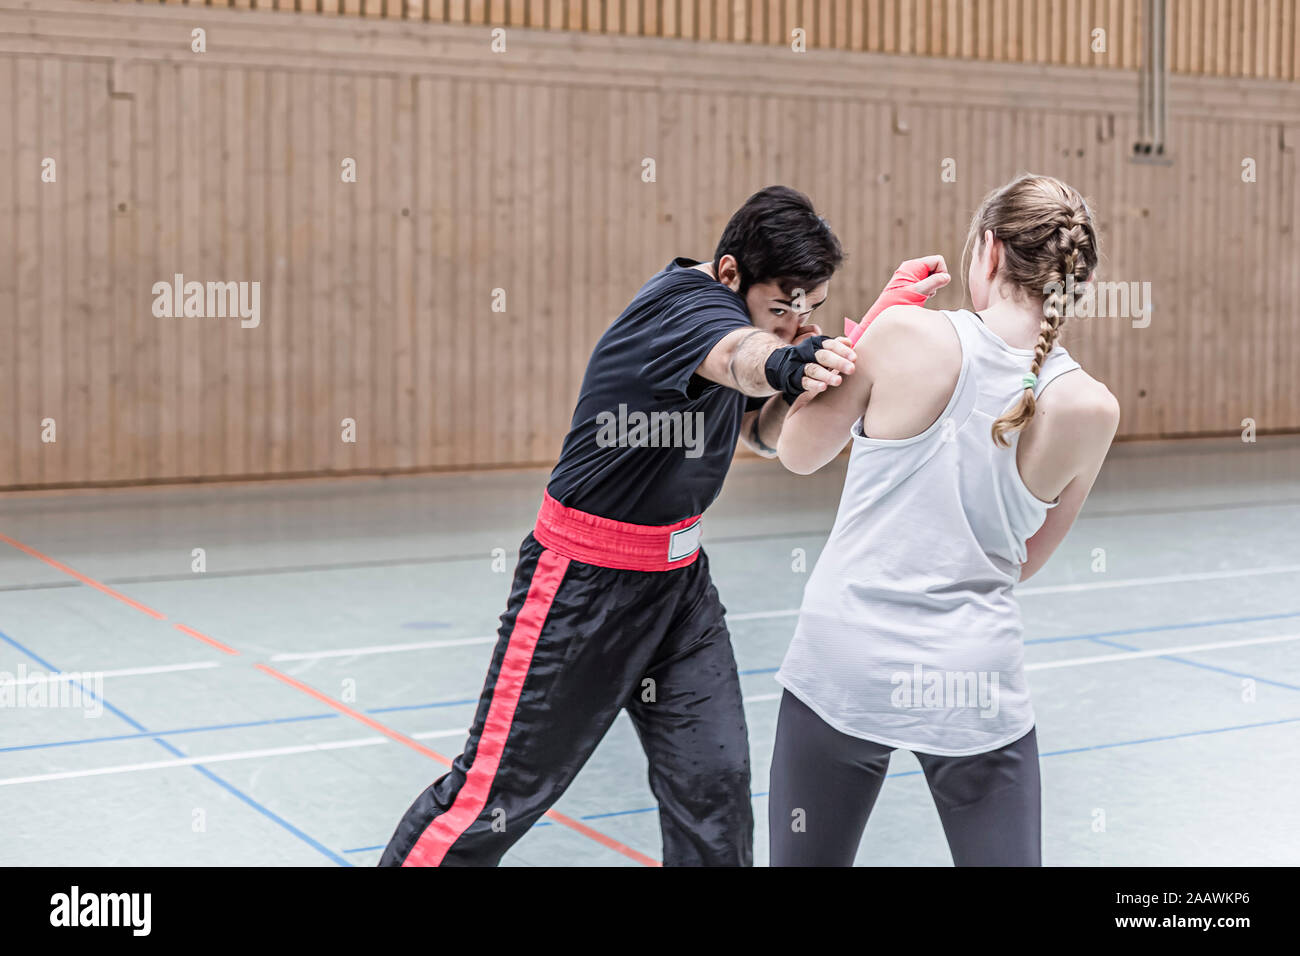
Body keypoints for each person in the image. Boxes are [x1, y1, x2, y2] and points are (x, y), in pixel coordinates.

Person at [381, 185, 946, 866]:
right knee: (495, 798)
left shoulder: (761, 324)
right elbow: (742, 358)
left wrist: (854, 342)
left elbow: (763, 432)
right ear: (732, 272)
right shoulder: (684, 309)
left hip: (679, 591)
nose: (797, 324)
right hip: (582, 588)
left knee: (714, 786)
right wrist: (787, 362)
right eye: (784, 307)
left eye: (811, 311)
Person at [769, 174, 1121, 866]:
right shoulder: (1093, 408)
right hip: (975, 679)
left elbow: (797, 453)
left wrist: (868, 329)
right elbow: (1022, 560)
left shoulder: (904, 333)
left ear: (987, 253)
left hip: (843, 663)